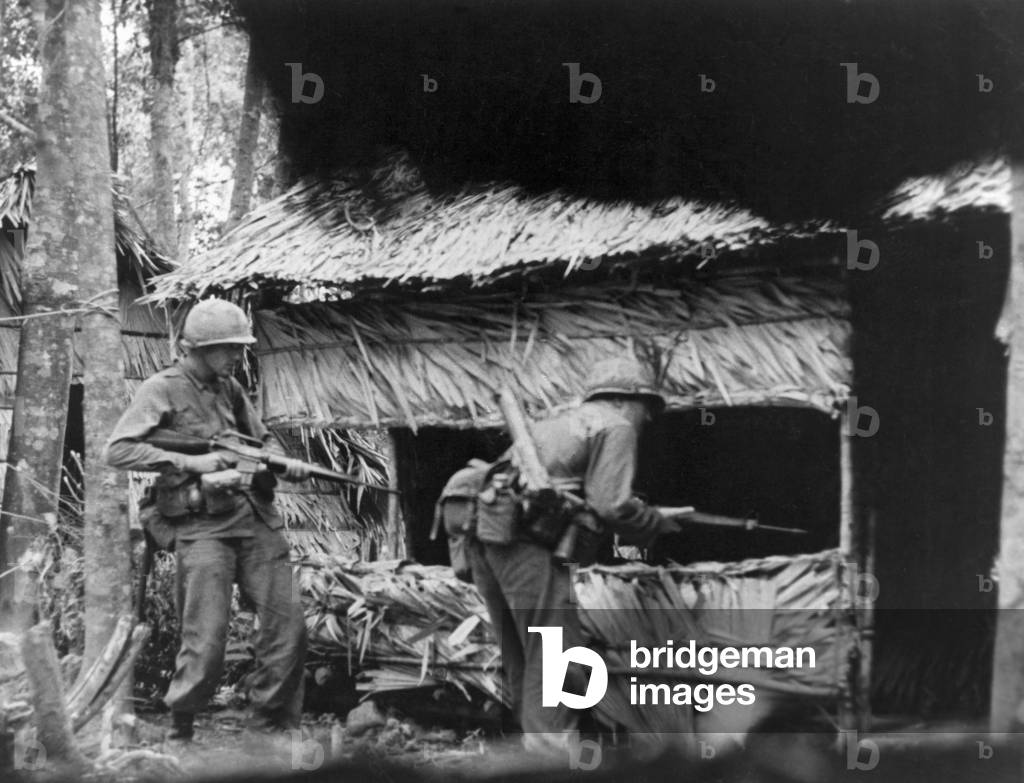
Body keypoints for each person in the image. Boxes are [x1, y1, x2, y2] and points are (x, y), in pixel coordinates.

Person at [104, 298, 311, 741]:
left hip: (255, 519)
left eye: (238, 348)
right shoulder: (162, 388)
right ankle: (182, 727)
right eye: (227, 348)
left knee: (288, 625)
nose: (237, 356)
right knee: (206, 637)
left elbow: (261, 438)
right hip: (202, 526)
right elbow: (118, 450)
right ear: (195, 348)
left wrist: (278, 459)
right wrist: (192, 463)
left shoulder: (231, 389)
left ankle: (269, 722)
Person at [466, 356, 681, 758]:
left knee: (522, 648)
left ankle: (527, 744)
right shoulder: (615, 426)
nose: (647, 420)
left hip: (489, 535)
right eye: (647, 410)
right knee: (554, 647)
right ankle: (549, 753)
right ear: (628, 401)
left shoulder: (556, 422)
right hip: (529, 542)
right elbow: (610, 504)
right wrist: (653, 521)